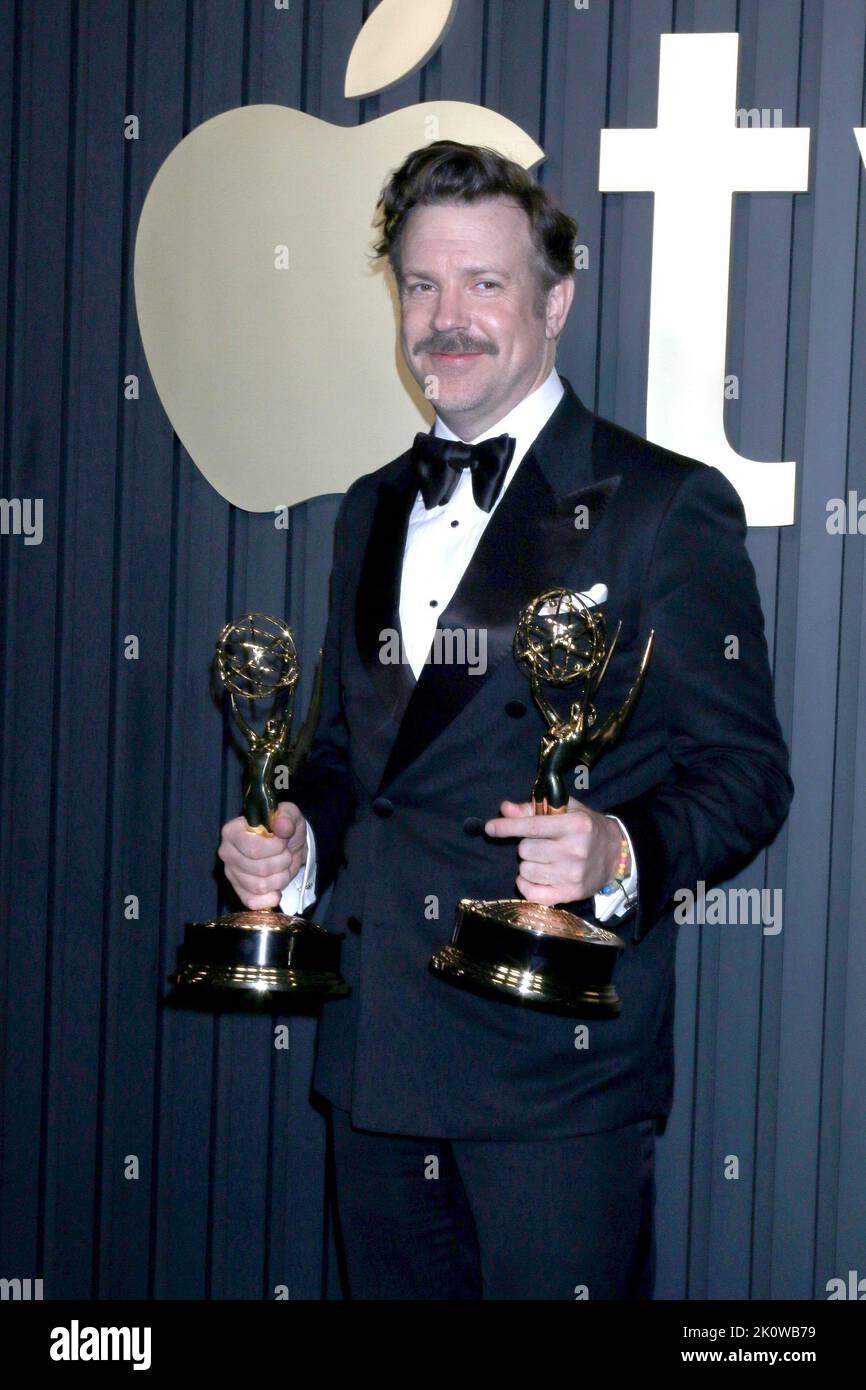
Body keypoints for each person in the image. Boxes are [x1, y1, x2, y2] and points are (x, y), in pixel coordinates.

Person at [218, 141, 793, 1300]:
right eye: (421, 285)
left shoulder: (661, 505)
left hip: (552, 1077)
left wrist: (618, 847)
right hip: (379, 1064)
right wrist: (296, 842)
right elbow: (349, 760)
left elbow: (744, 774)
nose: (446, 318)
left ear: (555, 299)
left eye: (484, 283)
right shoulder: (367, 510)